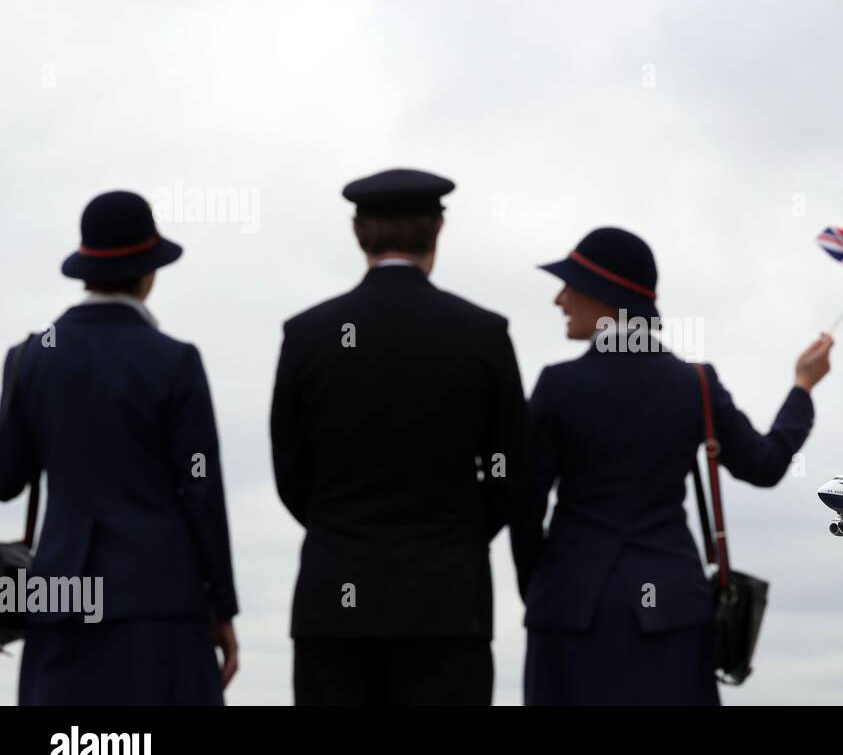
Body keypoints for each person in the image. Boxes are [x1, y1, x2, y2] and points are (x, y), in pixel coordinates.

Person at [522, 227, 833, 705]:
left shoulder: (558, 386)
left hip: (569, 610)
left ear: (604, 294)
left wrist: (543, 584)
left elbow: (522, 504)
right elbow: (766, 465)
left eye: (569, 286)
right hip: (673, 614)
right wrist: (802, 388)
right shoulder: (696, 385)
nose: (559, 300)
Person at [271, 168, 533, 705]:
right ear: (437, 230)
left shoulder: (307, 335)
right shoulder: (482, 333)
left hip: (335, 599)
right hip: (448, 604)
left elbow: (290, 471)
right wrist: (460, 531)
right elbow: (509, 468)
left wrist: (338, 524)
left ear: (357, 232)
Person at [0, 190, 239, 705]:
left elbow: (6, 479)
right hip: (161, 600)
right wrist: (223, 606)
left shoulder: (28, 359)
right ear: (149, 271)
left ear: (85, 267)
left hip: (60, 597)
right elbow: (202, 493)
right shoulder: (175, 362)